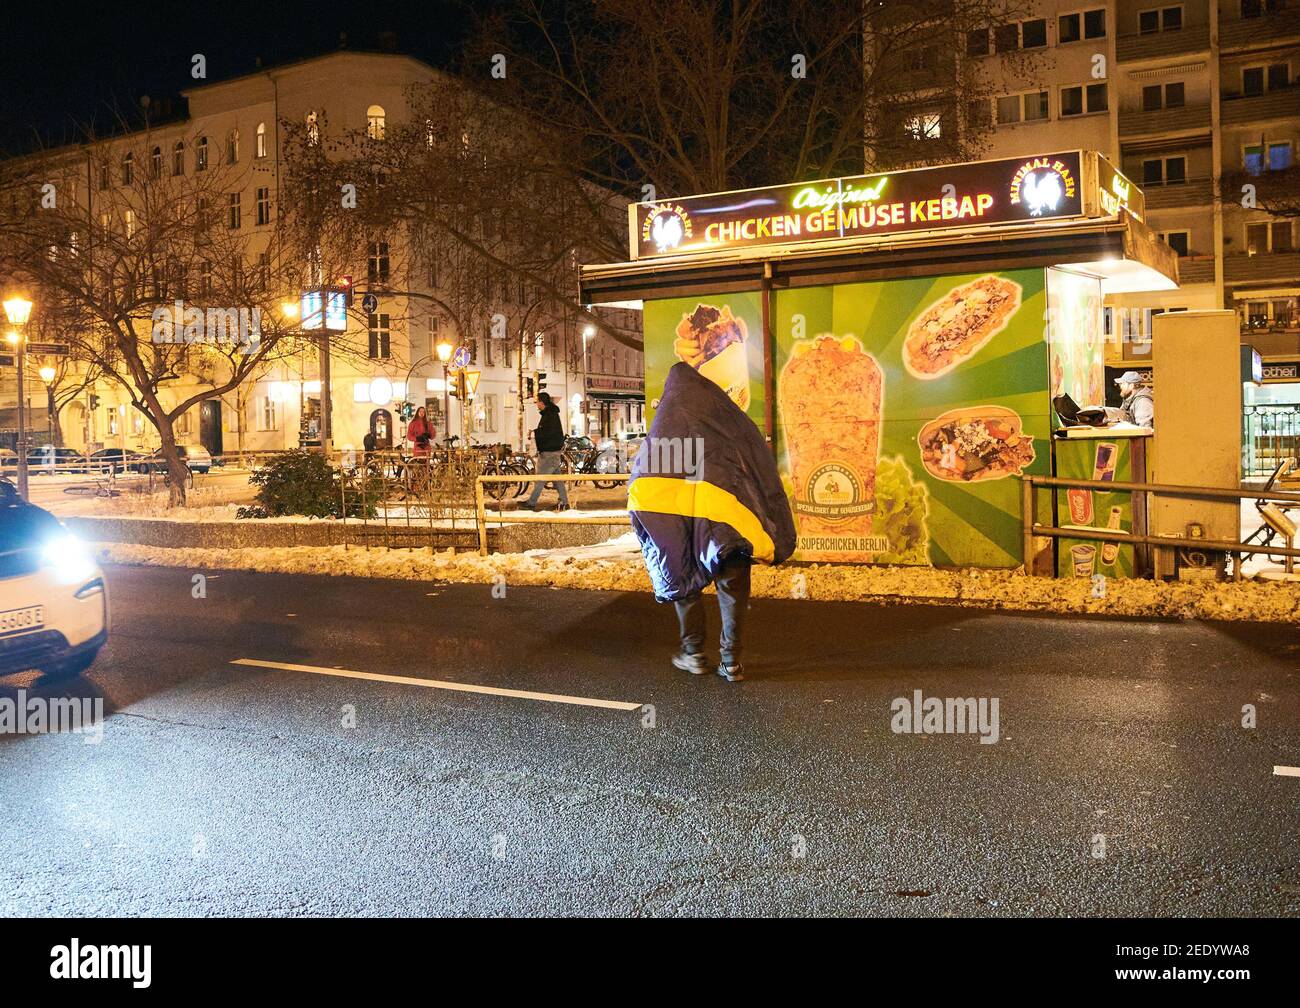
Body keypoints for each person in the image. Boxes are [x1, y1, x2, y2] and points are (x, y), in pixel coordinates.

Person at [628, 362, 796, 682]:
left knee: (682, 576)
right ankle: (731, 661)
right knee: (732, 585)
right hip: (729, 518)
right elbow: (756, 461)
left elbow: (646, 476)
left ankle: (693, 654)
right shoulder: (725, 414)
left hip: (683, 523)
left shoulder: (668, 418)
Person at [523, 392, 570, 511]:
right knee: (557, 478)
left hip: (549, 451)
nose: (536, 404)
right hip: (553, 450)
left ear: (542, 402)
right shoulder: (550, 413)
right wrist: (536, 431)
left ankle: (531, 502)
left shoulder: (549, 415)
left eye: (537, 401)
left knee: (541, 478)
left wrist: (534, 433)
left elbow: (547, 432)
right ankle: (564, 501)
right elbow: (547, 431)